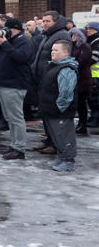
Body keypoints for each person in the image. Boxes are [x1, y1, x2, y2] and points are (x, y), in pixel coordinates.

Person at [0, 18, 35, 160]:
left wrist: (5, 44)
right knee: (9, 118)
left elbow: (21, 57)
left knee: (16, 118)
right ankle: (14, 145)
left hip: (15, 85)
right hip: (4, 84)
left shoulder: (24, 41)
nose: (6, 31)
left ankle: (19, 148)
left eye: (8, 29)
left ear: (16, 28)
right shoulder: (8, 40)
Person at [31, 11, 71, 153]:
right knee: (46, 113)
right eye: (43, 21)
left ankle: (55, 144)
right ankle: (49, 140)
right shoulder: (48, 34)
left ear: (56, 21)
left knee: (52, 114)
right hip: (43, 79)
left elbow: (61, 58)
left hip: (52, 80)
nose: (44, 23)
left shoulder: (62, 35)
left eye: (47, 21)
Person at [39, 40, 78, 171]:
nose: (52, 52)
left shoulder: (67, 68)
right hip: (51, 109)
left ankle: (68, 160)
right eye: (52, 50)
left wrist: (59, 108)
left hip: (60, 111)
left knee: (64, 135)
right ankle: (62, 157)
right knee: (56, 136)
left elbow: (66, 92)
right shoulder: (54, 66)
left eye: (56, 50)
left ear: (65, 52)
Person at [69, 27, 93, 136]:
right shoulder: (72, 47)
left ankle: (83, 125)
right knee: (78, 104)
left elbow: (81, 61)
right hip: (75, 80)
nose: (73, 37)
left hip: (83, 80)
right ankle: (80, 124)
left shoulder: (85, 47)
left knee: (82, 104)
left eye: (75, 35)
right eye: (72, 35)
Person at [85, 22, 99, 128]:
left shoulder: (97, 42)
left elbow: (94, 58)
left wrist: (83, 62)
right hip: (93, 73)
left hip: (96, 74)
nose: (88, 31)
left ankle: (95, 119)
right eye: (87, 28)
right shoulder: (92, 41)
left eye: (90, 29)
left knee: (95, 98)